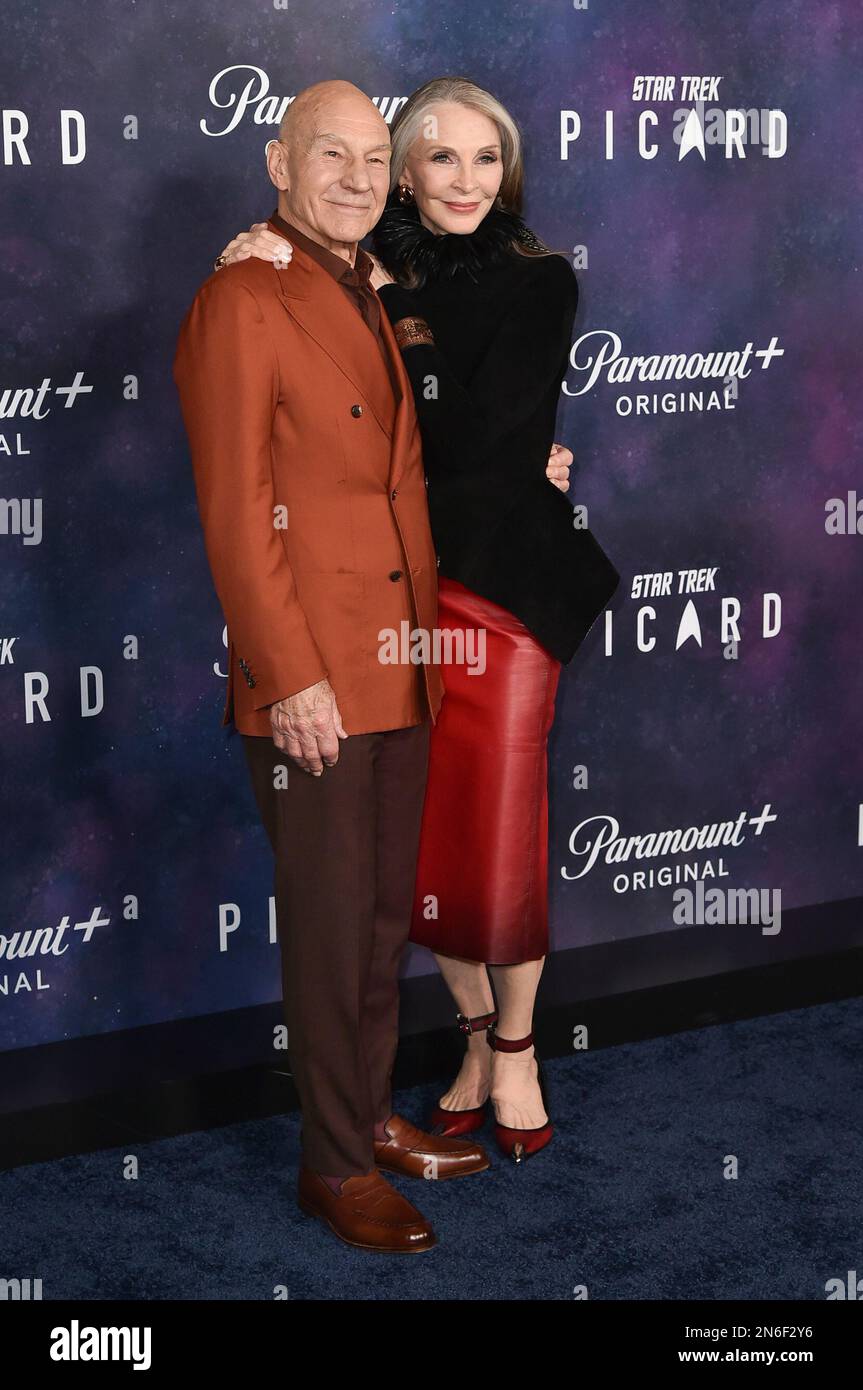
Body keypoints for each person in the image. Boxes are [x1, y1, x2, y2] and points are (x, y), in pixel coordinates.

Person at [218, 78, 619, 1166]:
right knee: (425, 844)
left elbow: (469, 452)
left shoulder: (534, 283)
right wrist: (254, 249)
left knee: (500, 833)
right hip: (400, 599)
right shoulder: (353, 265)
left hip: (502, 596)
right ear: (405, 170)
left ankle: (524, 1047)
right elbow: (354, 439)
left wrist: (402, 319)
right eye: (439, 158)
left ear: (511, 170)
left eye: (486, 159)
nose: (464, 182)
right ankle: (476, 1041)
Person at [174, 80, 493, 1257]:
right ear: (276, 160)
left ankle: (363, 1118)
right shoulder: (239, 298)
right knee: (325, 925)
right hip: (311, 676)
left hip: (399, 663)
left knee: (372, 923)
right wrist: (286, 673)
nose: (357, 178)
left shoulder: (361, 279)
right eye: (330, 155)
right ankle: (332, 1166)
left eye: (374, 157)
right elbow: (233, 511)